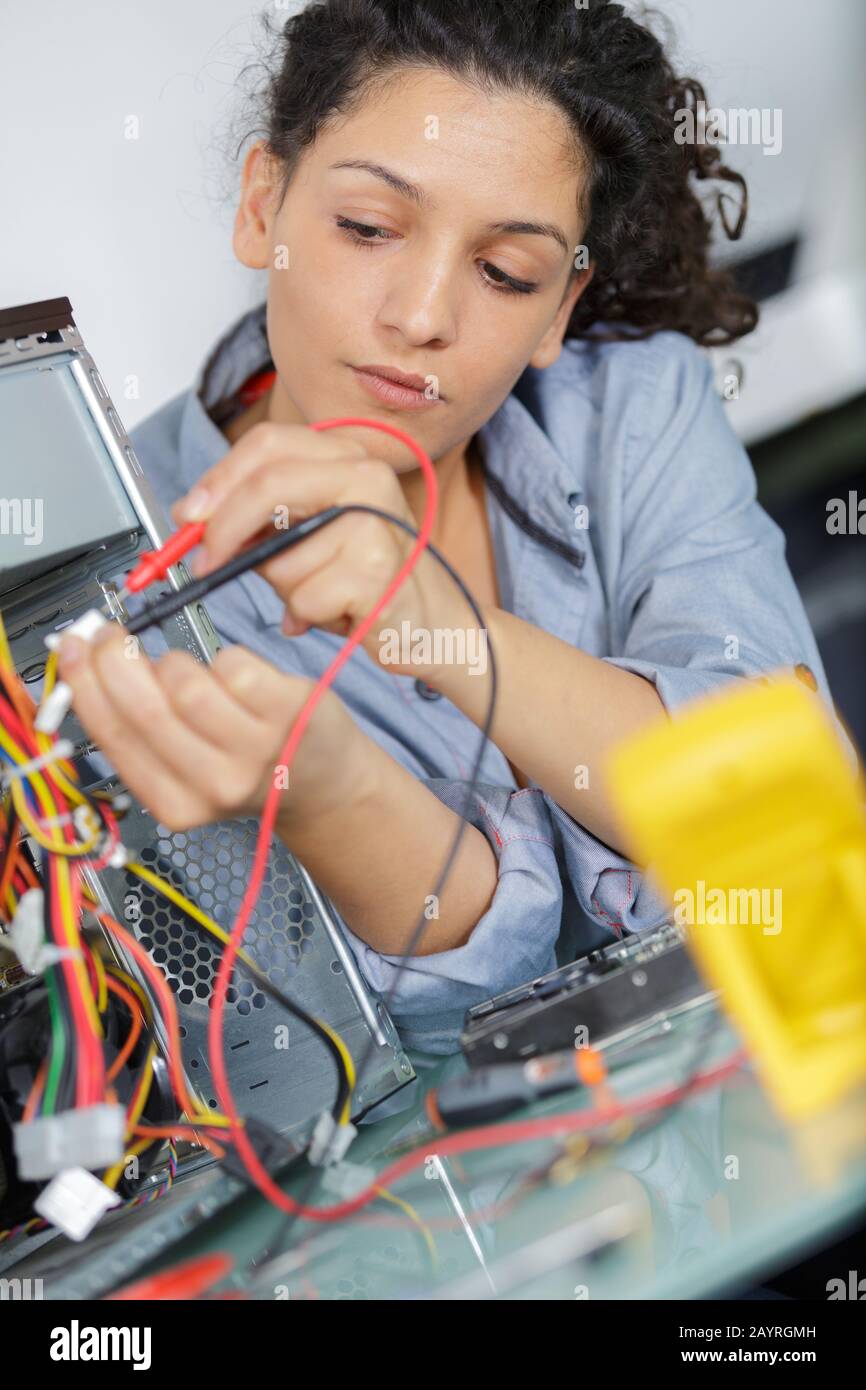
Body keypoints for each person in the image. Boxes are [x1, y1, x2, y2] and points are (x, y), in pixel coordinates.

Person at [57, 0, 837, 1054]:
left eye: (505, 273)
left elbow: (790, 823)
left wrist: (453, 635)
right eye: (368, 228)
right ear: (263, 204)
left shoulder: (632, 405)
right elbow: (354, 1067)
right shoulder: (111, 572)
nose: (421, 315)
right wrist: (324, 789)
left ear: (560, 306)